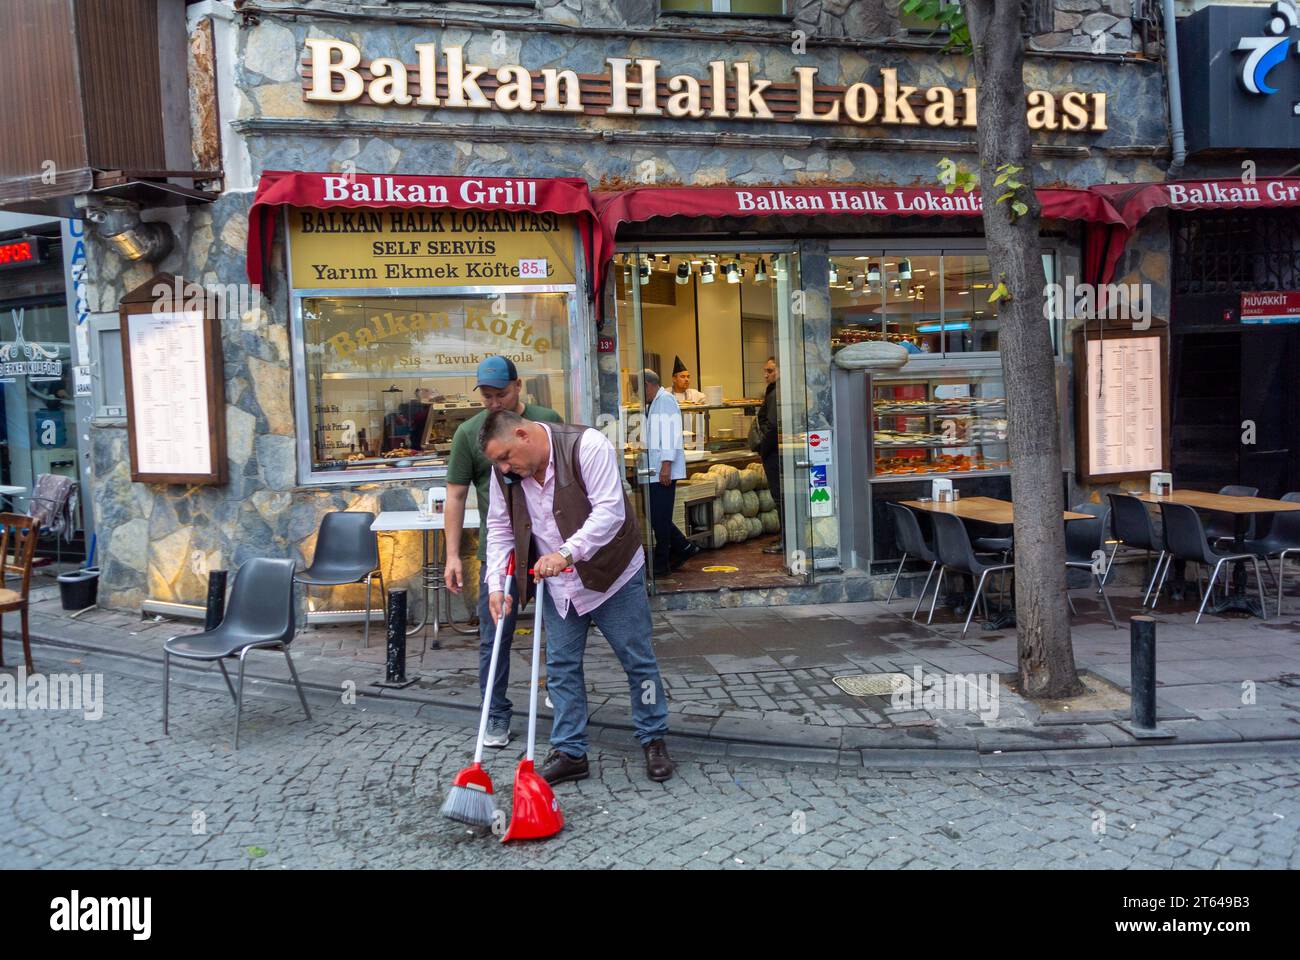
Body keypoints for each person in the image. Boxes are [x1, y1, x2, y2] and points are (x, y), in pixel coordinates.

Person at [480, 409, 675, 785]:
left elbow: (610, 512)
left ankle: (654, 738)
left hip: (612, 574)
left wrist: (566, 553)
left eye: (505, 457)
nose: (504, 468)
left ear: (522, 435)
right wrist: (494, 586)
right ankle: (570, 751)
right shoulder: (504, 474)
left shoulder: (587, 445)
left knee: (638, 661)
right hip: (558, 585)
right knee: (561, 667)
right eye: (497, 462)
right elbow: (500, 528)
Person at [444, 356, 562, 749]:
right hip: (503, 551)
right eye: (487, 396)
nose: (494, 403)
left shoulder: (545, 419)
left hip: (548, 547)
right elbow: (457, 495)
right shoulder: (468, 434)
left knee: (562, 629)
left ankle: (560, 695)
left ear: (519, 386)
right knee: (495, 635)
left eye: (502, 394)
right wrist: (453, 555)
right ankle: (495, 714)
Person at [643, 369, 701, 576]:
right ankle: (683, 547)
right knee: (654, 512)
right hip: (655, 467)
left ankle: (662, 561)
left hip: (662, 469)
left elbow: (670, 434)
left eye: (639, 389)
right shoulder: (654, 402)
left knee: (659, 514)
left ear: (648, 385)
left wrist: (666, 465)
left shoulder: (665, 400)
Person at [757, 356, 784, 556]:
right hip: (778, 449)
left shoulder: (776, 393)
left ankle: (785, 540)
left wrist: (761, 447)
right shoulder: (777, 390)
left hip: (774, 451)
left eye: (770, 370)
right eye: (765, 370)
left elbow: (773, 425)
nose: (766, 375)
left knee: (779, 497)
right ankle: (786, 536)